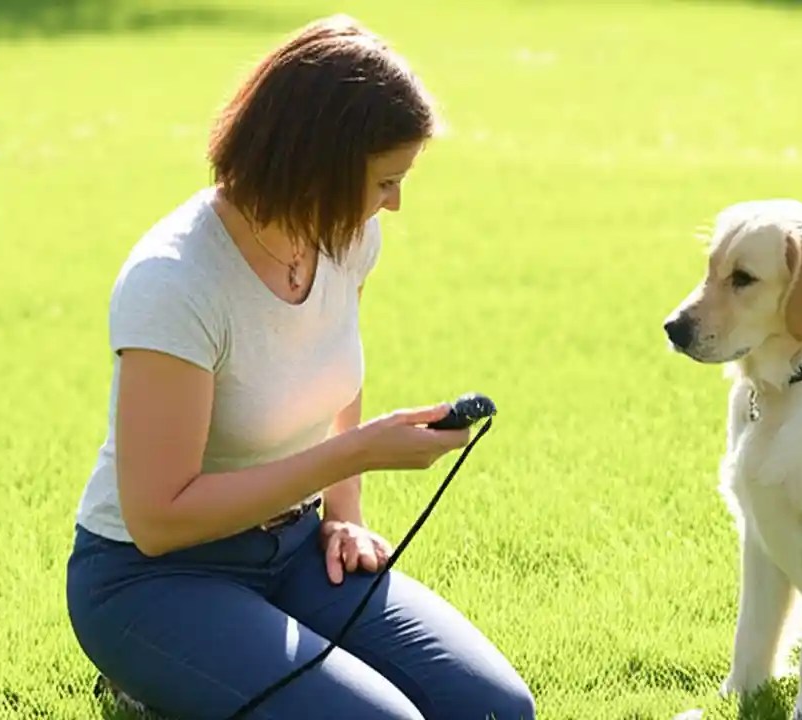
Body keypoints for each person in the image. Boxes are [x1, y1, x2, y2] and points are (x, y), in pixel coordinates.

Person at [64, 14, 536, 720]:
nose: (395, 203)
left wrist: (343, 513)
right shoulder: (175, 281)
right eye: (384, 181)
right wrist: (357, 453)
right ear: (317, 165)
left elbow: (331, 374)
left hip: (295, 548)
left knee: (496, 711)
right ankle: (149, 679)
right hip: (152, 578)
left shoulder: (346, 235)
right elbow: (158, 517)